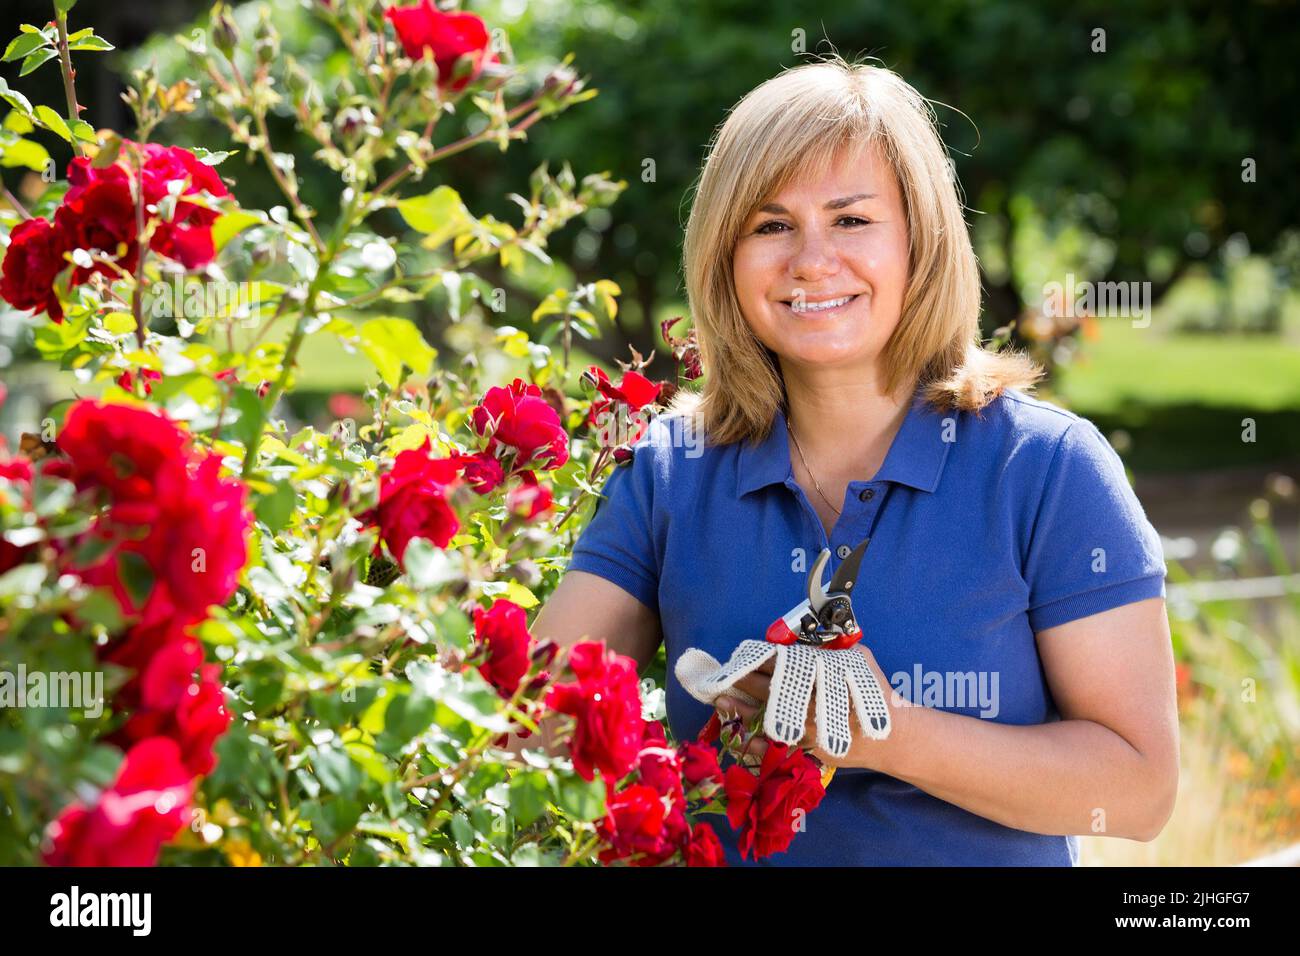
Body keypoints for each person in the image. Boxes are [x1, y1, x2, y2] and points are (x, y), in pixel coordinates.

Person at [521, 55, 1179, 866]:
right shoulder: (670, 470)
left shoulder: (1045, 469)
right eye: (770, 226)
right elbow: (533, 724)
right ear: (725, 255)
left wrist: (886, 735)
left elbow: (1142, 790)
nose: (810, 259)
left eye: (852, 219)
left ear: (921, 240)